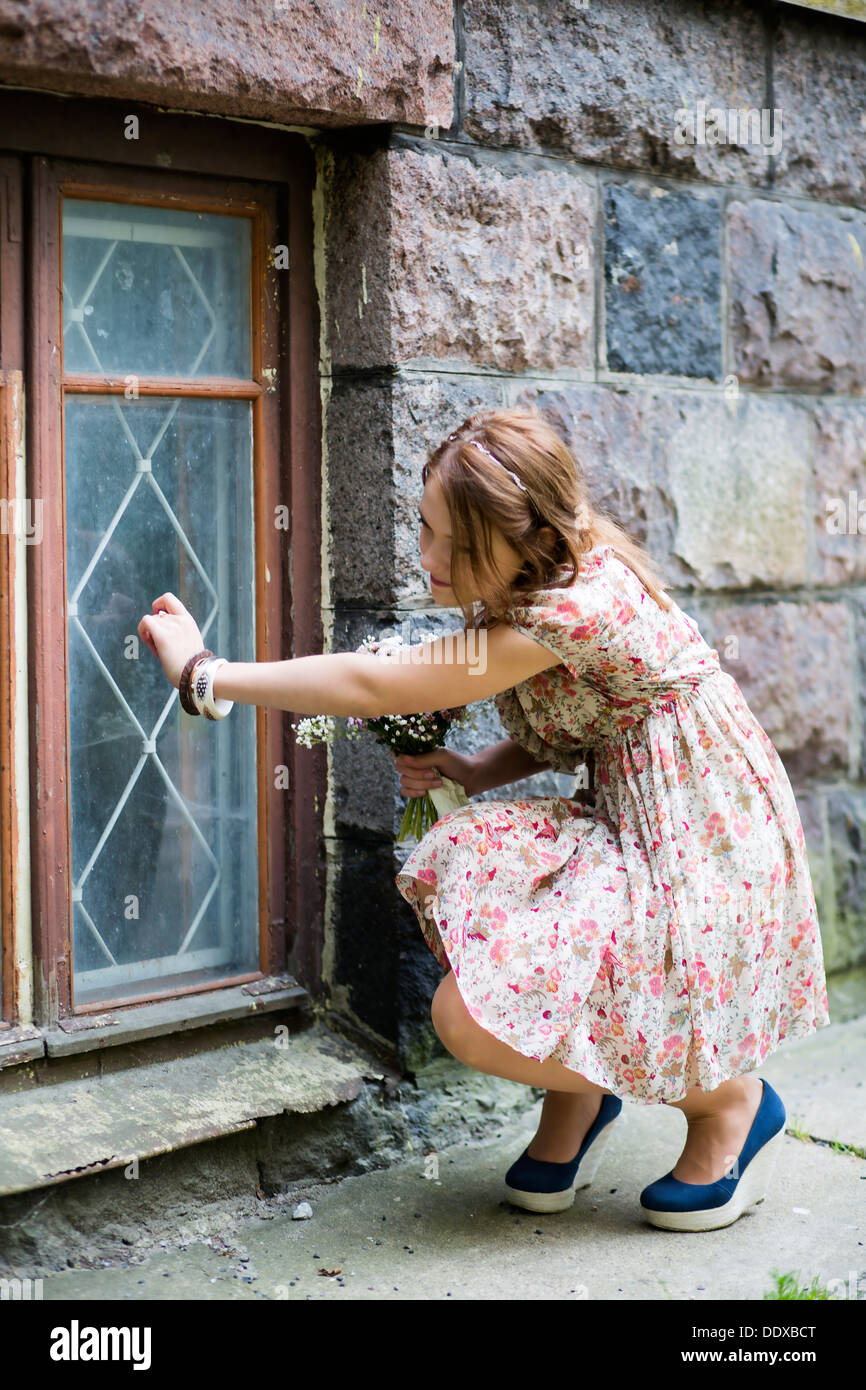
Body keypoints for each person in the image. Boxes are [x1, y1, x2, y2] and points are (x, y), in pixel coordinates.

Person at [139, 405, 831, 1234]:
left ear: (517, 534)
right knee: (489, 880)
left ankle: (732, 1104)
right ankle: (582, 1093)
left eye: (447, 542)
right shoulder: (544, 585)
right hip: (631, 809)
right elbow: (596, 716)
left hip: (703, 832)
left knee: (470, 1016)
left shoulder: (576, 607)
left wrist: (207, 676)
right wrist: (476, 770)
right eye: (422, 531)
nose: (426, 558)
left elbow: (378, 684)